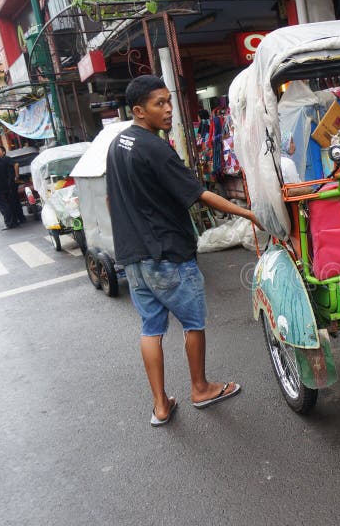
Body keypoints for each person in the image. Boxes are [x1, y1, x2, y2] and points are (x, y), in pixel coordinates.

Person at [106, 75, 262, 427]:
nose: (168, 109)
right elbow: (198, 194)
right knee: (192, 322)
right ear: (139, 110)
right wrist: (250, 214)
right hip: (167, 253)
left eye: (168, 101)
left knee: (151, 329)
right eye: (159, 103)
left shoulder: (118, 144)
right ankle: (200, 388)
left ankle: (161, 405)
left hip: (133, 256)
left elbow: (110, 198)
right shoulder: (155, 147)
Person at [0, 146, 25, 227]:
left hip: (11, 183)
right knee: (14, 201)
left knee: (14, 201)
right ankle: (20, 217)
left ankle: (20, 217)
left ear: (3, 152)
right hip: (8, 183)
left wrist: (16, 176)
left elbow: (16, 164)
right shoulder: (0, 161)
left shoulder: (5, 158)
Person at [0, 148, 15, 230]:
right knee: (7, 203)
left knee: (3, 205)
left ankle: (9, 223)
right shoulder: (0, 159)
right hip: (5, 185)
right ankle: (13, 221)